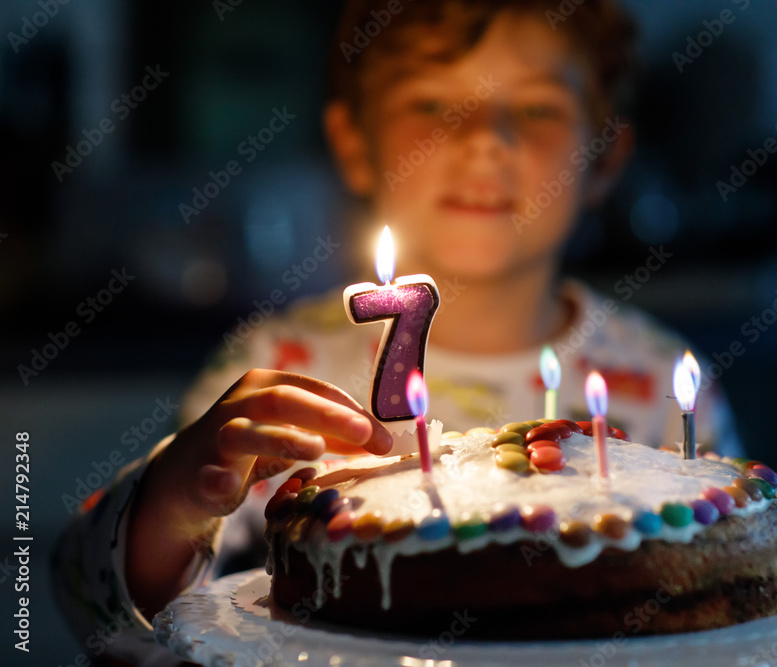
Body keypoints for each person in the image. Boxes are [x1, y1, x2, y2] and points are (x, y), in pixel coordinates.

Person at [53, 1, 740, 661]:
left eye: (536, 109)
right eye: (433, 105)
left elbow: (745, 613)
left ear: (605, 157)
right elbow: (110, 620)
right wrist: (169, 508)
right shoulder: (279, 370)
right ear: (354, 141)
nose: (482, 138)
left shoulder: (660, 385)